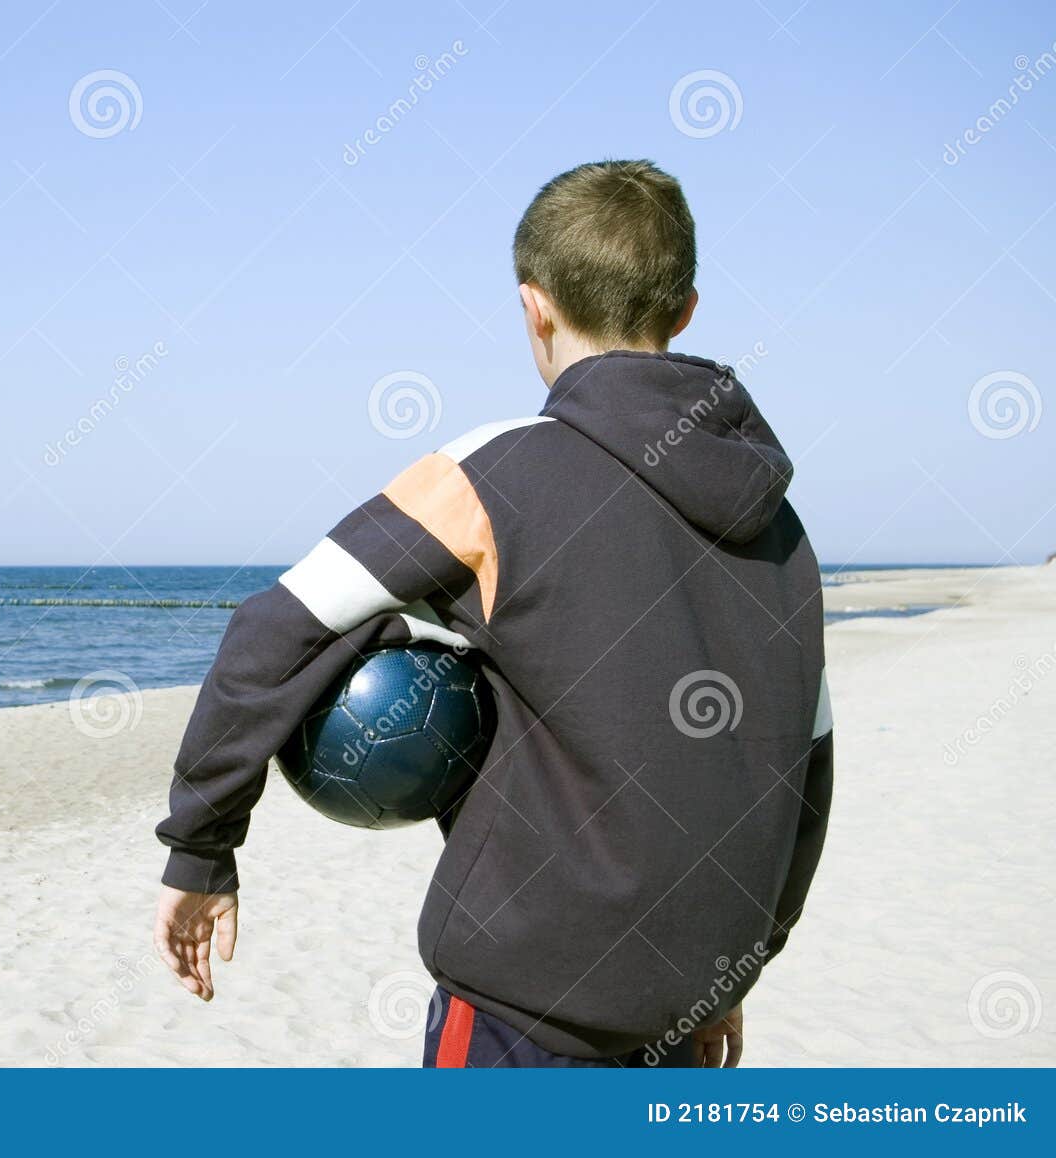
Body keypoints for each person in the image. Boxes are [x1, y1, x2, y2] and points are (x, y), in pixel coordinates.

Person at [152, 159, 833, 1068]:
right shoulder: (779, 525)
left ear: (534, 306)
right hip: (688, 1016)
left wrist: (200, 850)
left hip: (522, 1019)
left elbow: (278, 628)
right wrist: (730, 973)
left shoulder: (497, 471)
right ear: (686, 309)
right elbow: (805, 772)